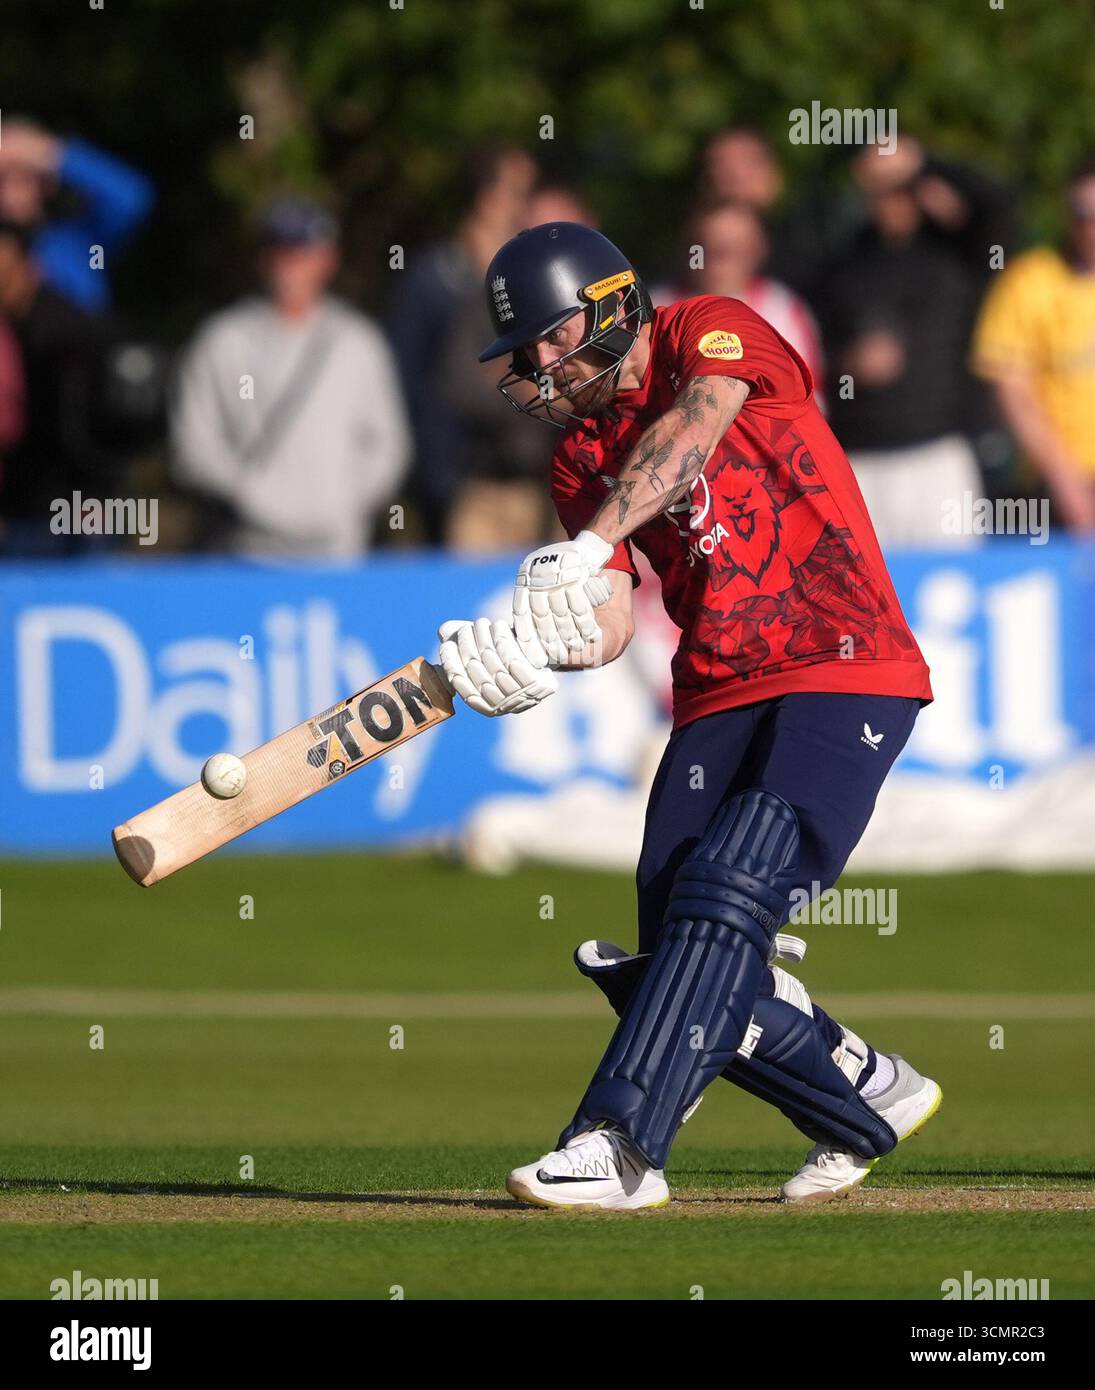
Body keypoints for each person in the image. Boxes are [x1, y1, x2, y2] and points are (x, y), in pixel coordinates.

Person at [436, 222, 941, 1209]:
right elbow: (612, 619)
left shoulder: (708, 330)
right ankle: (867, 1091)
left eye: (552, 338)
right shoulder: (580, 461)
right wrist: (534, 648)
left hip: (845, 662)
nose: (541, 366)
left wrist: (587, 549)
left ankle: (619, 1144)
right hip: (715, 693)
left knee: (731, 881)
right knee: (680, 957)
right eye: (524, 353)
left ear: (611, 304)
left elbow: (696, 426)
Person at [171, 198, 409, 557]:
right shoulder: (222, 340)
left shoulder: (357, 341)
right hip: (247, 547)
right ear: (263, 258)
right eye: (281, 251)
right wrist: (250, 494)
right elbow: (193, 446)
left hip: (340, 548)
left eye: (303, 251)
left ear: (329, 259)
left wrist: (345, 502)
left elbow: (389, 445)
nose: (291, 265)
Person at [388, 143, 551, 549]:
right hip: (465, 486)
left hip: (537, 484)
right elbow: (413, 383)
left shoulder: (530, 276)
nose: (529, 207)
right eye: (521, 193)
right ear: (489, 197)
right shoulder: (436, 280)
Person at [972, 158, 1095, 533]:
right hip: (1064, 487)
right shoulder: (1031, 280)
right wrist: (1065, 480)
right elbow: (1013, 390)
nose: (1091, 224)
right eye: (1082, 213)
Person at [0, 220, 121, 556]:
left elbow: (86, 434)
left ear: (29, 267)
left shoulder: (66, 334)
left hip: (72, 513)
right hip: (28, 509)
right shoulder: (15, 330)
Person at [659, 201, 825, 401]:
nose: (719, 261)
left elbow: (811, 399)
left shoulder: (783, 311)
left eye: (733, 249)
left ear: (758, 251)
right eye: (708, 248)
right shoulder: (659, 308)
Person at [0, 119, 153, 314]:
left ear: (44, 183)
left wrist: (50, 153)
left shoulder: (80, 246)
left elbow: (133, 200)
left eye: (22, 178)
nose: (9, 194)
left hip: (89, 338)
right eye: (1, 181)